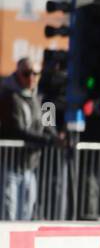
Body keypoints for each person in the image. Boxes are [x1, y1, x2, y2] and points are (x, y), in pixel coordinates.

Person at [0, 58, 58, 220]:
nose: (31, 77)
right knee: (8, 214)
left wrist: (55, 137)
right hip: (10, 166)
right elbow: (17, 130)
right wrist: (45, 140)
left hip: (30, 166)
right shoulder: (9, 96)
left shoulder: (42, 97)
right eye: (27, 73)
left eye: (35, 73)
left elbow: (49, 125)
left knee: (26, 212)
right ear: (18, 74)